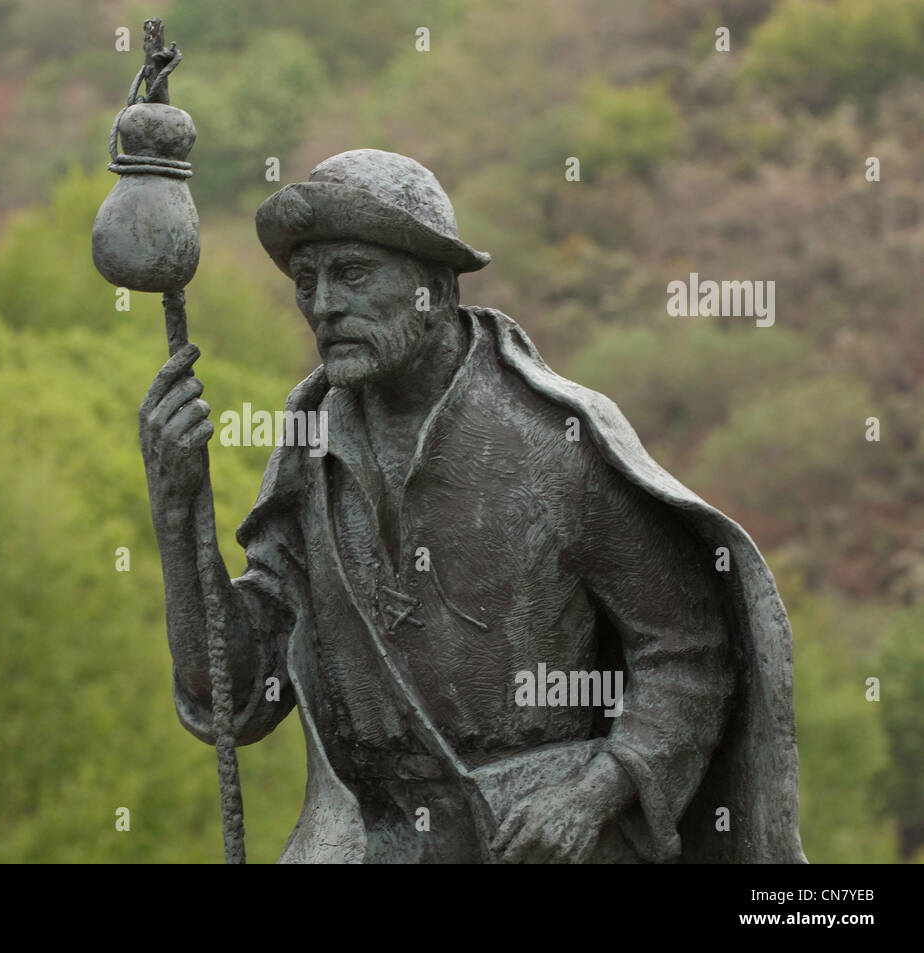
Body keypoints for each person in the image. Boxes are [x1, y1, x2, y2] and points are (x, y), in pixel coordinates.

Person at [139, 148, 805, 863]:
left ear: (434, 285)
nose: (325, 304)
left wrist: (594, 791)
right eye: (308, 281)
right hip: (371, 841)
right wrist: (180, 515)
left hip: (535, 842)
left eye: (353, 274)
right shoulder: (307, 450)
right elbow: (234, 695)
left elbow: (688, 651)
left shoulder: (558, 439)